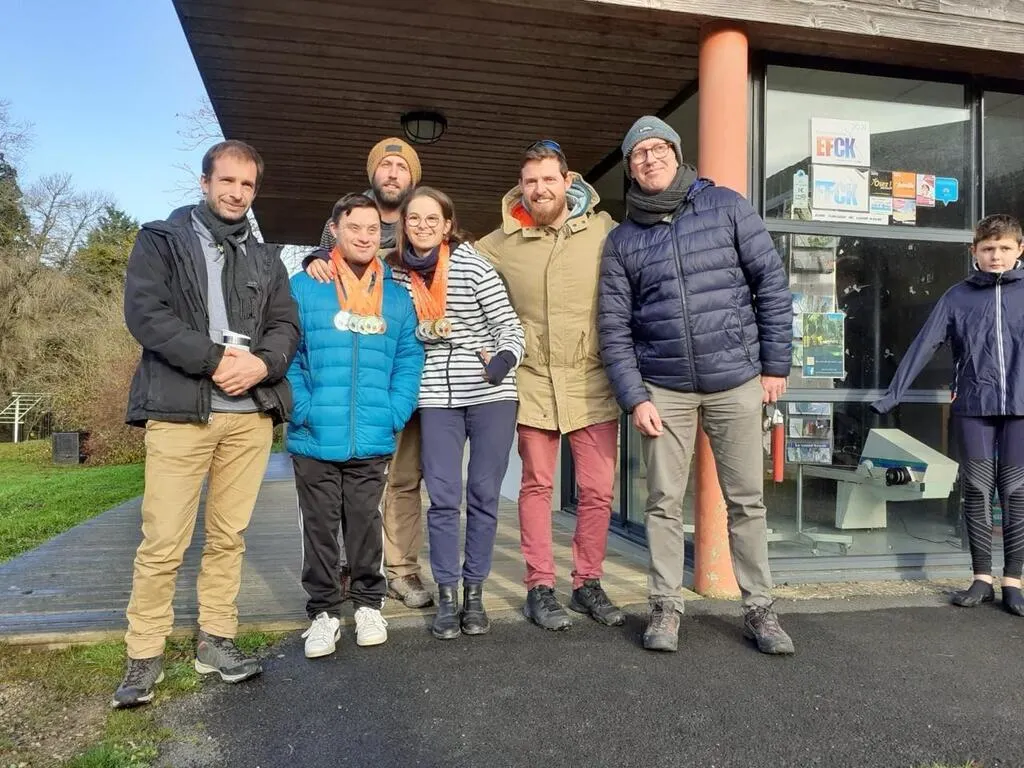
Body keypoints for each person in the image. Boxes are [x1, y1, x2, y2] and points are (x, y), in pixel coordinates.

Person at [598, 116, 794, 655]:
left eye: (659, 148)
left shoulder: (726, 206)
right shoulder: (621, 239)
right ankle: (665, 605)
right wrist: (635, 396)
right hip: (664, 388)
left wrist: (775, 366)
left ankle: (760, 609)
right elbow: (613, 326)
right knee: (662, 501)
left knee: (747, 501)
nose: (650, 159)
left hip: (737, 381)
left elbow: (771, 287)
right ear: (630, 169)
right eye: (638, 154)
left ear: (677, 155)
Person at [114, 140, 299, 708]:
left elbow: (286, 326)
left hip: (248, 421)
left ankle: (215, 640)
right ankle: (143, 656)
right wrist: (215, 360)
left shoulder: (269, 260)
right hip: (180, 413)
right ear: (204, 182)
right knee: (163, 540)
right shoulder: (161, 240)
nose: (236, 193)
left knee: (229, 538)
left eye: (246, 185)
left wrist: (263, 365)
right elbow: (146, 315)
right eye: (227, 181)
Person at [475, 141, 626, 631]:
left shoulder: (605, 231)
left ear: (568, 181)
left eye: (548, 179)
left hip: (592, 380)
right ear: (520, 187)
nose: (540, 189)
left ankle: (587, 583)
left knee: (598, 489)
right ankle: (540, 585)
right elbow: (442, 266)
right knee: (537, 486)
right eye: (530, 181)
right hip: (534, 380)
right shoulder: (500, 242)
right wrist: (325, 253)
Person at [288, 194, 424, 659]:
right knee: (320, 528)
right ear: (335, 230)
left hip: (373, 433)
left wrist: (395, 411)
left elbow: (409, 358)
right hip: (313, 433)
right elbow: (287, 355)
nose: (364, 237)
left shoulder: (398, 296)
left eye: (372, 230)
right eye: (354, 228)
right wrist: (301, 407)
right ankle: (324, 613)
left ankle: (369, 603)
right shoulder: (304, 287)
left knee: (366, 524)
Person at [873, 214, 1024, 617]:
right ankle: (981, 577)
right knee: (976, 488)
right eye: (988, 248)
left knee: (1014, 492)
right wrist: (893, 395)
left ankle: (1014, 580)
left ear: (1019, 250)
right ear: (974, 251)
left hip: (1021, 410)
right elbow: (924, 344)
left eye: (1005, 248)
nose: (996, 256)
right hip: (974, 405)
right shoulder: (957, 296)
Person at [391, 187, 524, 639]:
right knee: (444, 496)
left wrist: (503, 361)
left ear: (448, 225)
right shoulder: (398, 274)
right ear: (404, 224)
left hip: (489, 392)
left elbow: (509, 323)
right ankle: (446, 593)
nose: (424, 226)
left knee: (485, 494)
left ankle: (475, 593)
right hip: (434, 396)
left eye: (434, 219)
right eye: (415, 219)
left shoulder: (471, 264)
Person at [305, 138, 433, 610]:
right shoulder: (347, 216)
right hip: (346, 374)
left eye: (402, 166)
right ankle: (345, 568)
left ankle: (400, 570)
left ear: (412, 176)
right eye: (386, 165)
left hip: (402, 365)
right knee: (340, 484)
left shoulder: (422, 219)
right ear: (374, 174)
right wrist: (313, 260)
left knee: (401, 479)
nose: (393, 173)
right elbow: (322, 265)